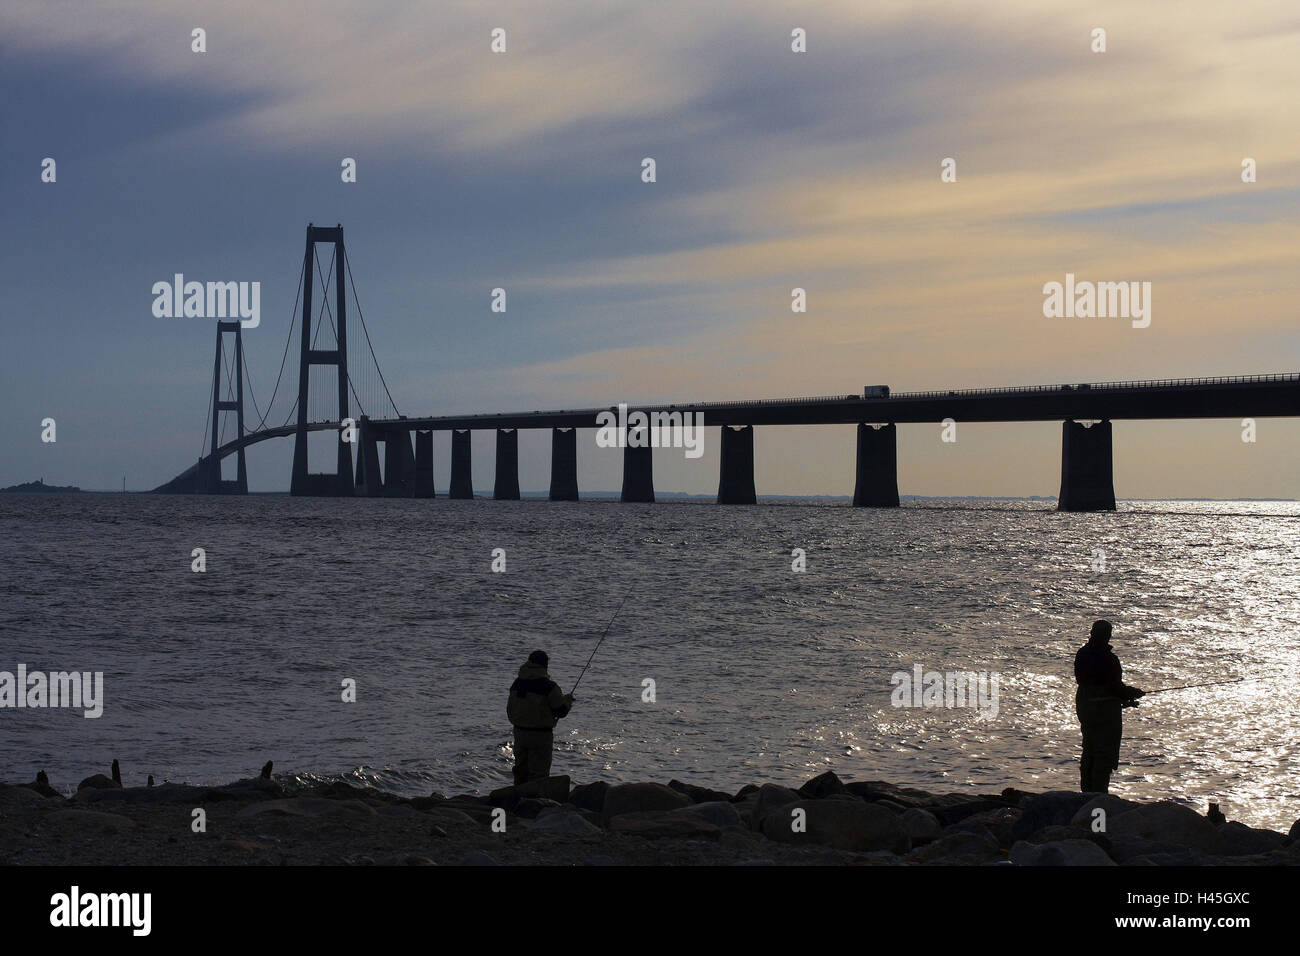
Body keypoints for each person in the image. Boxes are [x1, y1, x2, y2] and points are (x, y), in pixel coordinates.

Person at [1074, 620, 1144, 793]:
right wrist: (1131, 692)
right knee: (1103, 754)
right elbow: (1113, 687)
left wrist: (1124, 696)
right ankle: (1098, 794)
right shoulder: (1108, 658)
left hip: (1085, 708)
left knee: (1089, 750)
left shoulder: (1082, 654)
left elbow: (1091, 683)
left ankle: (1087, 792)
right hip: (1104, 713)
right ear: (1107, 635)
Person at [507, 650, 574, 785]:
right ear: (545, 665)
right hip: (540, 735)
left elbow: (510, 709)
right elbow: (561, 711)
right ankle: (534, 803)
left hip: (519, 732)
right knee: (539, 774)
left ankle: (517, 800)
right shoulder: (548, 686)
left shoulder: (517, 683)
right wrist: (567, 701)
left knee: (520, 772)